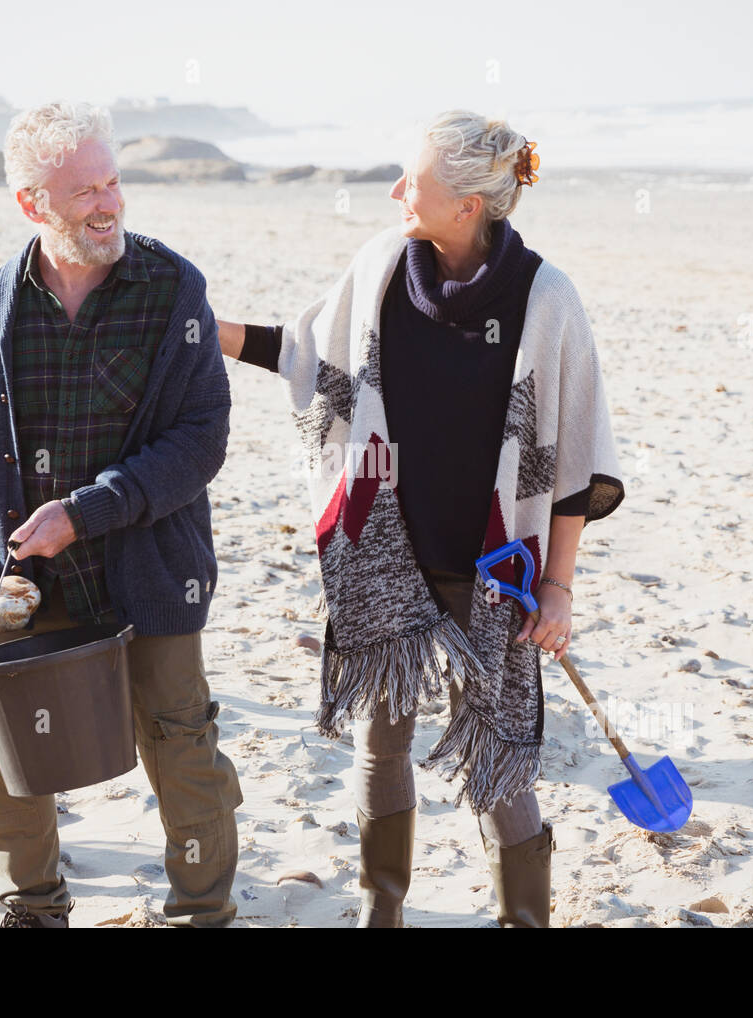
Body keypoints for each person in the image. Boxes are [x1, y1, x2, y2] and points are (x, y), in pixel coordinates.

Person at [218, 110, 625, 927]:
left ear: (470, 204)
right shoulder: (378, 269)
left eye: (414, 181)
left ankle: (524, 918)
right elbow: (305, 352)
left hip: (492, 565)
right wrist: (202, 331)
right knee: (383, 739)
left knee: (499, 755)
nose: (396, 191)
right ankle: (383, 912)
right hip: (385, 552)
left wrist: (558, 587)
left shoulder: (545, 300)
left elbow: (575, 466)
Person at [0, 101, 243, 928]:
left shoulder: (173, 287)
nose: (108, 203)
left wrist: (85, 511)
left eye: (113, 181)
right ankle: (32, 906)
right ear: (32, 203)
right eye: (84, 191)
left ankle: (200, 910)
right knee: (2, 752)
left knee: (182, 746)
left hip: (152, 568)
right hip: (26, 575)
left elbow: (201, 440)